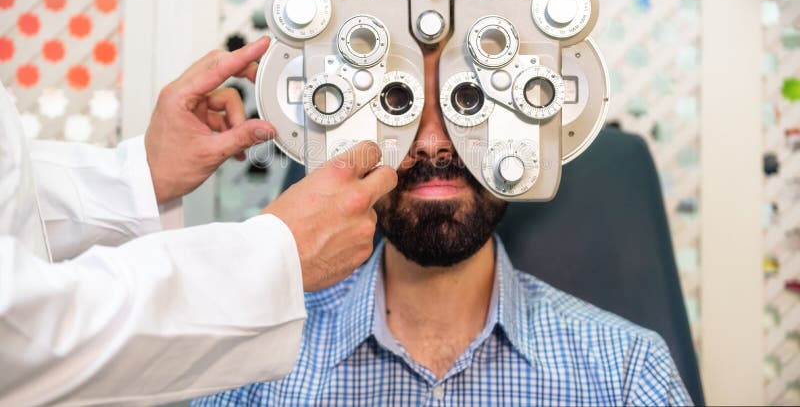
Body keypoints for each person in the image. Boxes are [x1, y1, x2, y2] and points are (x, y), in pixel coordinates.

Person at [194, 41, 692, 407]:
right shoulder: (254, 371)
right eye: (397, 104)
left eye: (468, 103)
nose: (433, 143)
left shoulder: (626, 371)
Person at [0, 37, 397, 407]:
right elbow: (20, 333)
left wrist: (141, 177)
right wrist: (271, 258)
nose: (432, 143)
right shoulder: (260, 389)